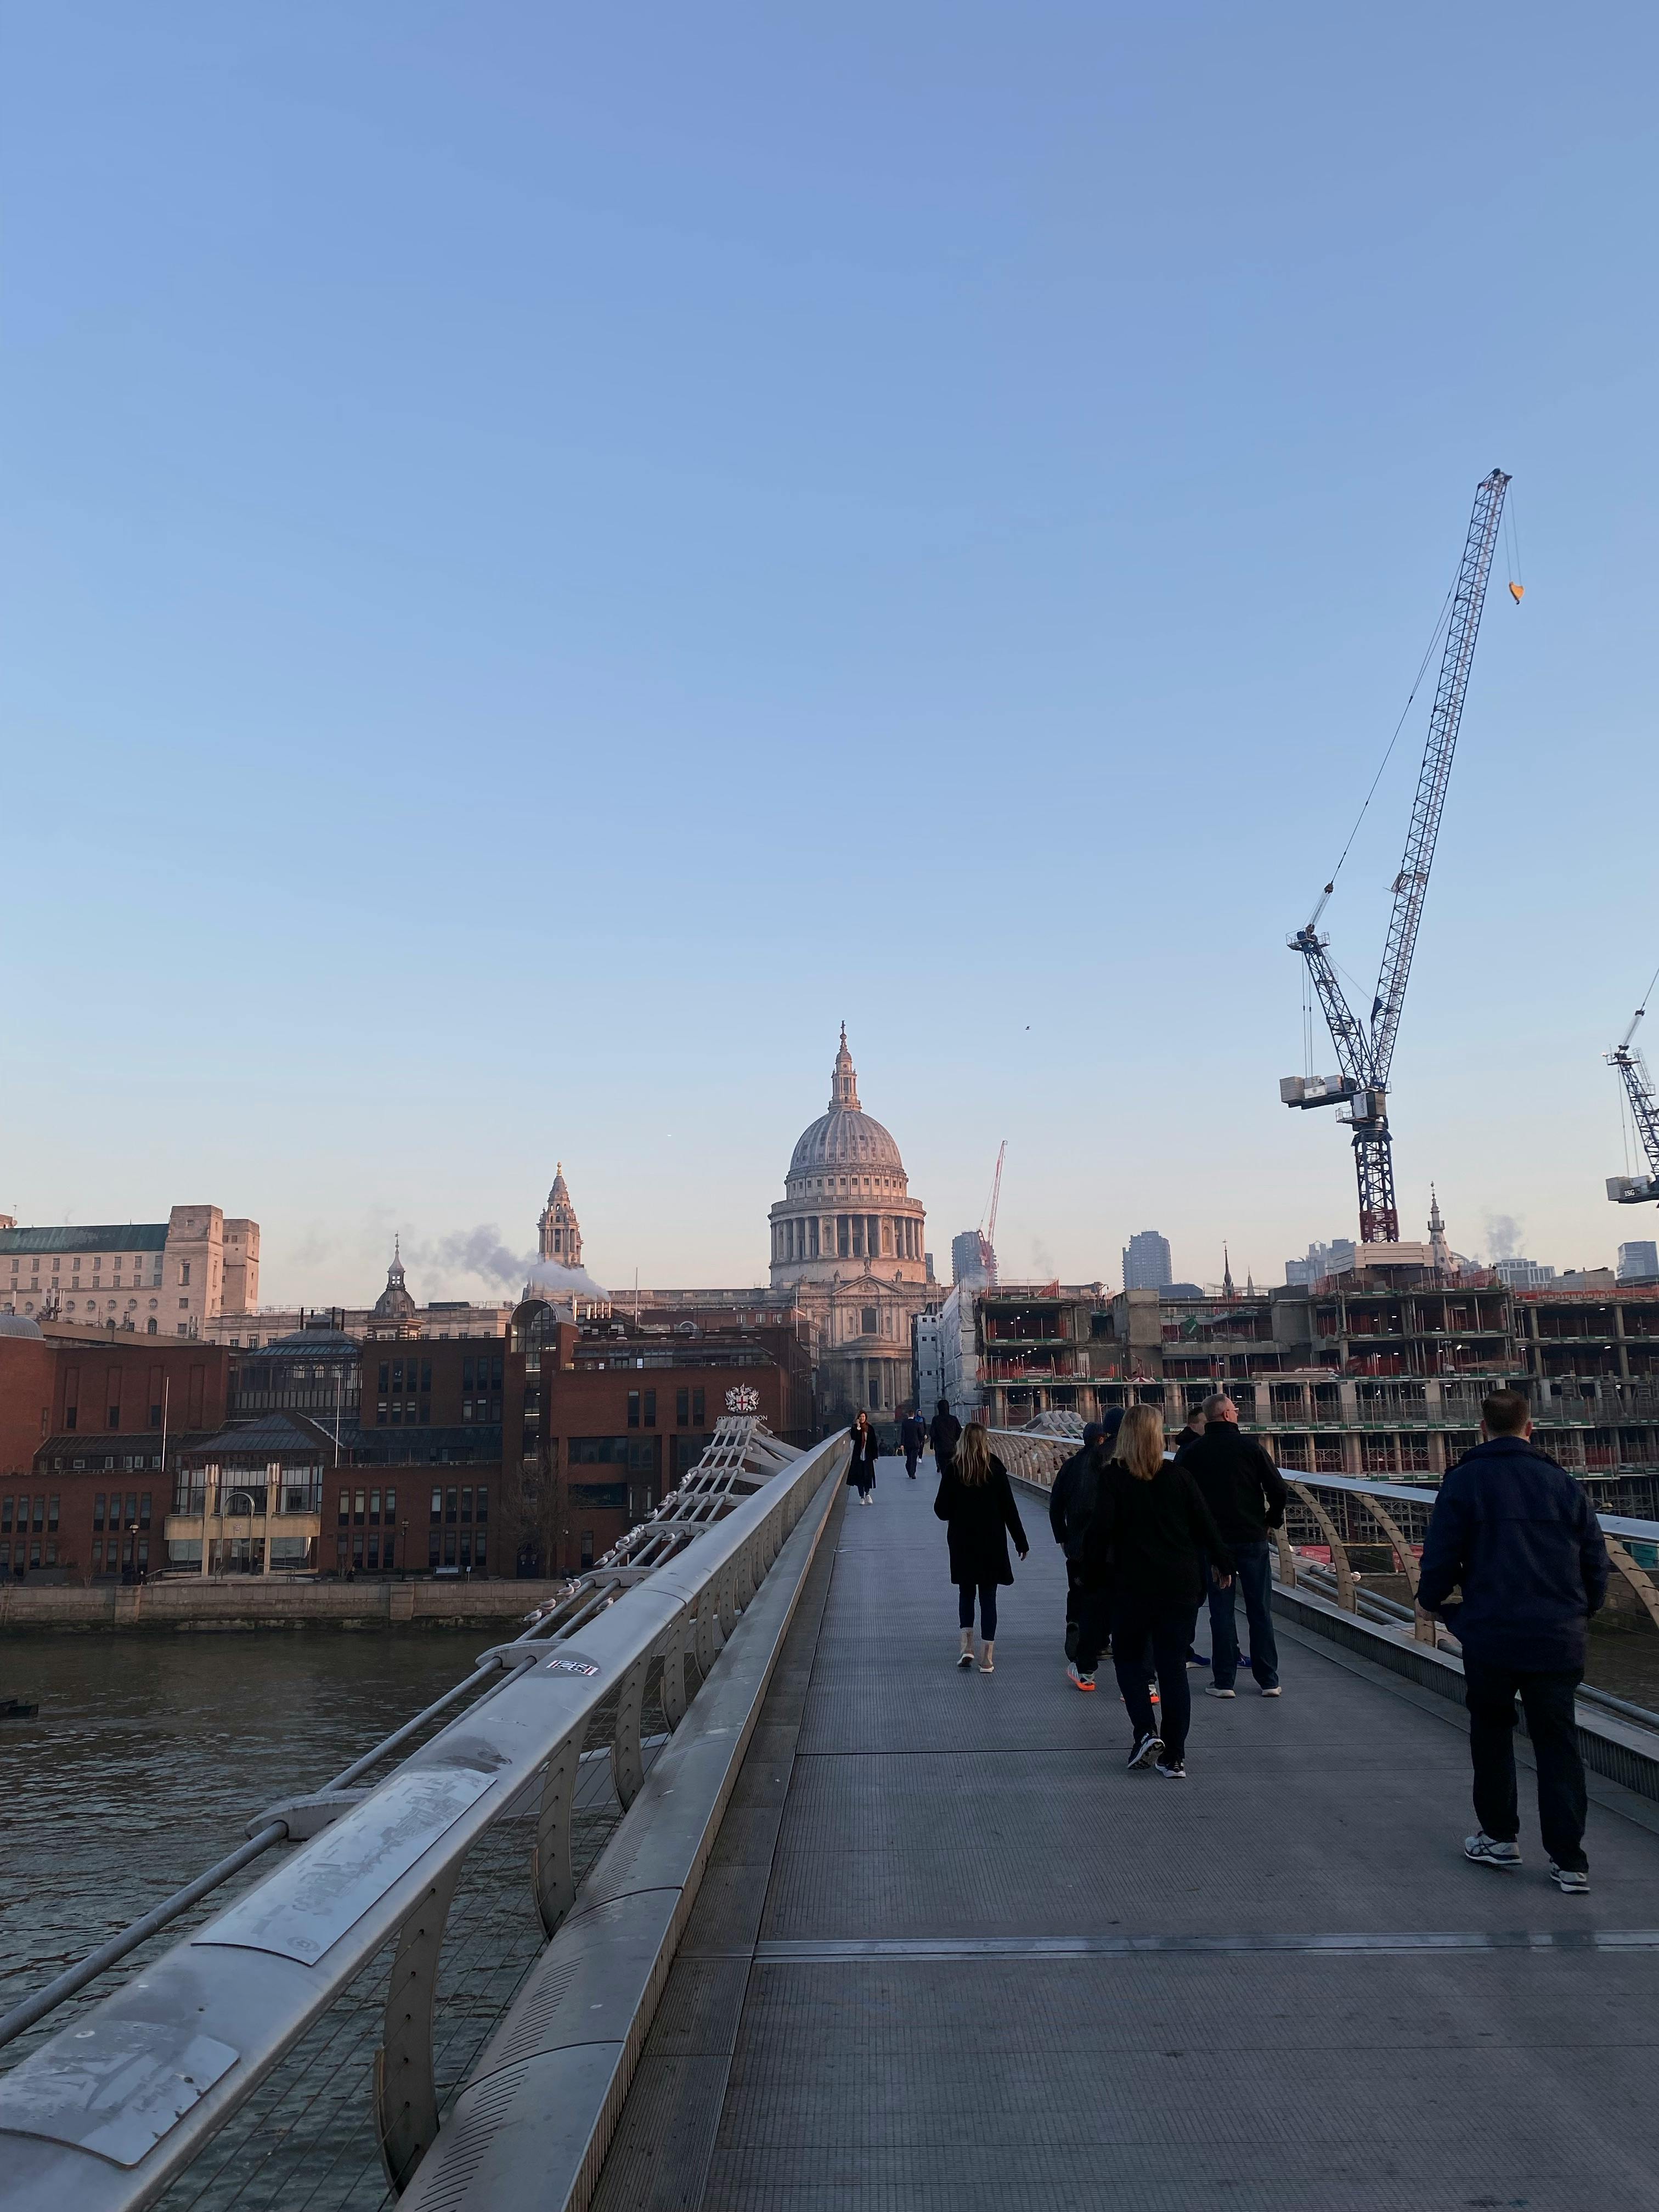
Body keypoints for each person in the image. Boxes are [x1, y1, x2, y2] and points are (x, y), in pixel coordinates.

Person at [1417, 1387, 1609, 1893]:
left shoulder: (1465, 1481)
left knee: (1493, 1734)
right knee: (1559, 1744)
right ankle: (1570, 1861)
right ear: (1531, 1429)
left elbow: (1441, 1553)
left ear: (1482, 1428)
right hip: (1556, 1635)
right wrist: (1584, 1610)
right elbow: (1594, 1557)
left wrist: (1434, 1601)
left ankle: (1500, 1838)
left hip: (1492, 1633)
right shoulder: (1563, 1482)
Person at [1077, 1403, 1232, 1778]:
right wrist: (1223, 1564)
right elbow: (1205, 1524)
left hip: (1132, 1586)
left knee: (1130, 1661)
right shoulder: (1179, 1476)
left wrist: (1090, 1577)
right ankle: (1174, 1756)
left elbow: (1099, 1533)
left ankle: (1146, 1732)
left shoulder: (1114, 1478)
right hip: (1180, 1584)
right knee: (1173, 1669)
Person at [1177, 1393, 1287, 1698]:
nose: (1238, 1414)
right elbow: (1278, 1489)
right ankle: (1269, 1680)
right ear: (1226, 1415)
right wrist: (1271, 1520)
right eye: (1235, 1410)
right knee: (1259, 1610)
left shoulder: (1192, 1452)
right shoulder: (1251, 1449)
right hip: (1252, 1537)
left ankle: (1224, 1681)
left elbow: (1180, 1495)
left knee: (1221, 1611)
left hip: (1213, 1543)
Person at [935, 1420, 1028, 1673]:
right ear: (985, 1442)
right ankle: (987, 1658)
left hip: (963, 1543)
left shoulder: (954, 1470)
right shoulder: (996, 1470)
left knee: (966, 1594)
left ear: (963, 1442)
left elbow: (941, 1511)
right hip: (991, 1542)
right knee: (988, 1598)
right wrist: (1021, 1541)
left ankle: (967, 1648)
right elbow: (1010, 1510)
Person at [846, 1410, 880, 1506]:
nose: (862, 1418)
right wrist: (858, 1427)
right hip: (858, 1457)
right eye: (861, 1417)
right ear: (858, 1418)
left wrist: (875, 1456)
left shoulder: (870, 1428)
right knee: (860, 1478)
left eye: (864, 1416)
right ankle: (861, 1497)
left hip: (868, 1457)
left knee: (868, 1476)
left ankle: (867, 1493)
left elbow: (874, 1443)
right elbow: (854, 1437)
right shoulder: (854, 1428)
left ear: (866, 1417)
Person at [929, 1398, 962, 1474]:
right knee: (953, 1470)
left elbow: (933, 1433)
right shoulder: (953, 1419)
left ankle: (945, 1483)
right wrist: (954, 1440)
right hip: (952, 1448)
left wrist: (933, 1443)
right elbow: (960, 1432)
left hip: (941, 1449)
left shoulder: (936, 1419)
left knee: (944, 1471)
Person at [900, 1407, 927, 1480]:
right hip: (916, 1443)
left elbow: (903, 1434)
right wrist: (921, 1441)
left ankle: (909, 1470)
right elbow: (921, 1434)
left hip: (907, 1444)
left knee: (909, 1458)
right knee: (914, 1459)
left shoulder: (904, 1423)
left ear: (908, 1415)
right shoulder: (917, 1424)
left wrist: (902, 1444)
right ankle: (913, 1473)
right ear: (914, 1415)